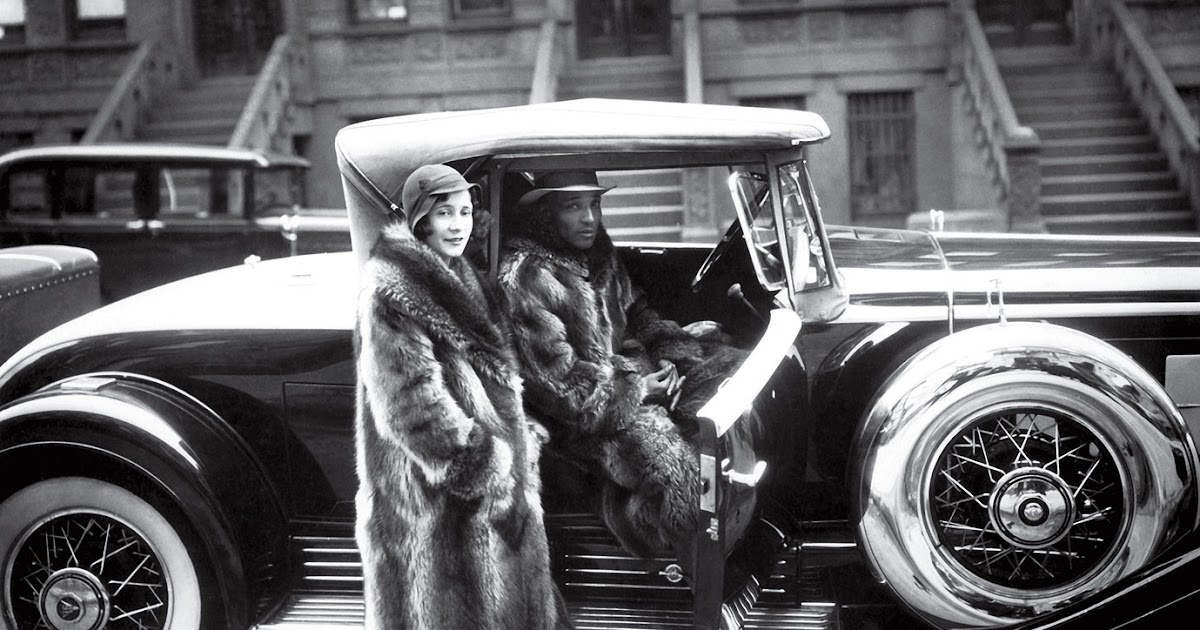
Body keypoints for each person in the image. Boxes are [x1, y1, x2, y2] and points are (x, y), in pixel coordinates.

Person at [355, 164, 570, 630]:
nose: (457, 224)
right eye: (444, 213)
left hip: (486, 487)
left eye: (466, 212)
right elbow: (411, 408)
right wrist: (488, 470)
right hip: (435, 495)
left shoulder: (463, 275)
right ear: (420, 220)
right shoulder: (392, 289)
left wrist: (519, 442)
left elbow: (493, 379)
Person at [498, 170, 742, 557]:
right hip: (580, 421)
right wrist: (640, 390)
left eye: (594, 204)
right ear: (546, 213)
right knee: (678, 467)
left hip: (630, 378)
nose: (589, 218)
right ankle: (667, 553)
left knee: (732, 373)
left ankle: (734, 531)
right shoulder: (527, 276)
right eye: (573, 206)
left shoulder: (597, 254)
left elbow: (639, 313)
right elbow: (557, 385)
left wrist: (673, 359)